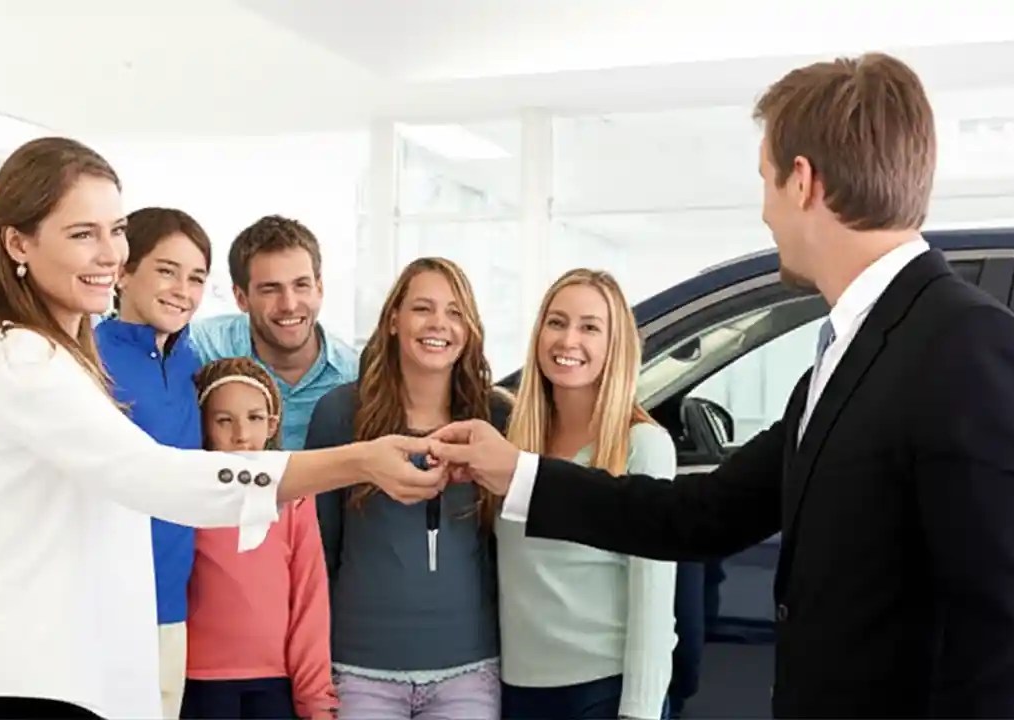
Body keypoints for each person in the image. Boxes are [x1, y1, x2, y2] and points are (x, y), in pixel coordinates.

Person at [429, 52, 1014, 719]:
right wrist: (519, 474)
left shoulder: (966, 344)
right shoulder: (845, 356)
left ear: (803, 181)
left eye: (765, 180)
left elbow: (1007, 637)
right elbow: (702, 515)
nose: (764, 212)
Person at [0, 136, 444, 720]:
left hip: (90, 675)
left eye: (116, 229)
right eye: (83, 234)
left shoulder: (75, 358)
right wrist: (358, 460)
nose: (111, 255)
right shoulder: (19, 359)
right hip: (33, 684)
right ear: (17, 242)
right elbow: (158, 475)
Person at [306, 257, 510, 720]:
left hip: (469, 672)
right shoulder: (340, 414)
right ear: (394, 319)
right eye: (423, 308)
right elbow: (318, 552)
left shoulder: (497, 420)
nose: (439, 323)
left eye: (455, 312)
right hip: (360, 673)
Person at [495, 269, 677, 720]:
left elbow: (653, 603)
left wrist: (640, 711)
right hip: (517, 692)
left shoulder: (644, 446)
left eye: (589, 327)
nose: (568, 340)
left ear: (615, 346)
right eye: (556, 322)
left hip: (603, 693)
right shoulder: (513, 445)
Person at [95, 206, 212, 718]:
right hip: (102, 604)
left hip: (172, 605)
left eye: (196, 278)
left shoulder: (192, 364)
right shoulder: (86, 359)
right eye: (167, 270)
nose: (182, 290)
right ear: (123, 271)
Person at [182, 358, 337, 720]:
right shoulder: (186, 496)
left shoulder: (295, 498)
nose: (241, 434)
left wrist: (315, 699)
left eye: (254, 418)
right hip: (198, 683)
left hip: (273, 685)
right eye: (224, 420)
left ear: (272, 424)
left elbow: (309, 599)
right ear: (204, 425)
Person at [189, 214, 357, 451]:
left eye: (301, 285)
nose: (288, 304)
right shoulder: (200, 348)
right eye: (270, 289)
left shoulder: (356, 377)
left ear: (319, 289)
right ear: (241, 298)